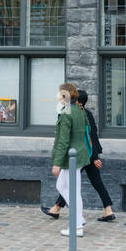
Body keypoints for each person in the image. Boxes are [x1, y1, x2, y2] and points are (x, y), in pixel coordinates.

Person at [45, 89, 115, 222]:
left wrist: (94, 157)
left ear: (78, 102)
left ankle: (64, 212)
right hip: (85, 154)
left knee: (68, 184)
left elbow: (90, 137)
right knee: (91, 182)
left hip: (83, 155)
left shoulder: (82, 115)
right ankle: (108, 210)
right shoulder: (80, 113)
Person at [48, 82, 90, 237]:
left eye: (59, 94)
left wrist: (56, 163)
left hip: (71, 157)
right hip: (79, 154)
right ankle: (79, 219)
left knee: (72, 190)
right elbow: (87, 130)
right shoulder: (80, 110)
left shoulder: (67, 112)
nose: (58, 96)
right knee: (65, 187)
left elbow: (63, 140)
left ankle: (78, 225)